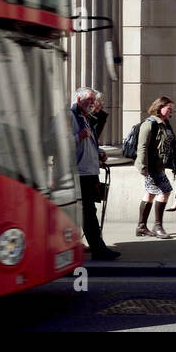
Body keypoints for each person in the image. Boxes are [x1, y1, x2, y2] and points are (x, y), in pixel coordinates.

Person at [71, 87, 120, 260]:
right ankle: (99, 250)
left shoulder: (85, 119)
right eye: (89, 100)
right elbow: (55, 144)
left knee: (88, 212)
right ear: (78, 99)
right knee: (88, 213)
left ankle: (95, 248)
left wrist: (99, 153)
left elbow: (87, 145)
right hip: (79, 174)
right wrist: (78, 136)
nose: (93, 103)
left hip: (89, 172)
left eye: (93, 100)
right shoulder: (70, 117)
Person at [134, 95, 176, 239]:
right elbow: (143, 146)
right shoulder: (150, 123)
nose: (171, 111)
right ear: (160, 107)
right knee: (165, 191)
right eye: (169, 108)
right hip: (151, 166)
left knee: (150, 193)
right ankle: (157, 226)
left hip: (160, 165)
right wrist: (142, 166)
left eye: (172, 109)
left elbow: (169, 145)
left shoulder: (165, 123)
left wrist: (174, 161)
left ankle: (141, 227)